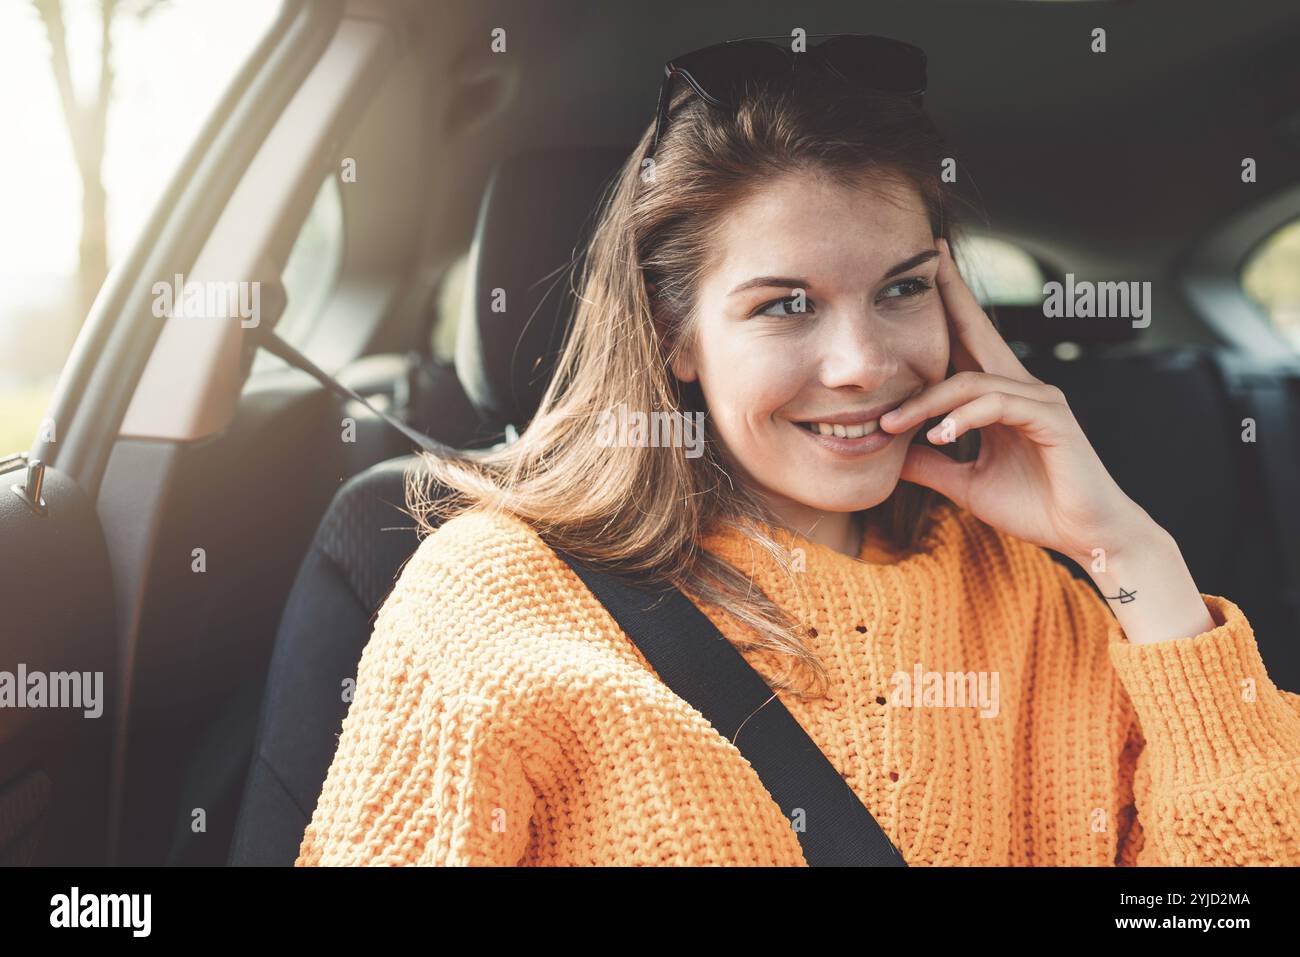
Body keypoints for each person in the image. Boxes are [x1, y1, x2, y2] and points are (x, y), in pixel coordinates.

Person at [295, 36, 1300, 866]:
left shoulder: (1036, 602)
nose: (862, 365)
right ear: (675, 334)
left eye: (902, 289)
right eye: (785, 305)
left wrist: (1129, 556)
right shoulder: (489, 601)